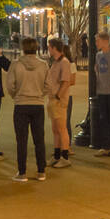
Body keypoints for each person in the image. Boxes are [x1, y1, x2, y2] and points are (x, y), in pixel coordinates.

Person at [5, 37, 49, 182]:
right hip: (37, 104)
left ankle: (22, 172)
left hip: (21, 104)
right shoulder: (43, 65)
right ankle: (41, 171)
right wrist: (40, 94)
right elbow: (48, 85)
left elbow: (10, 85)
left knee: (21, 140)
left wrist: (16, 95)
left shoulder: (16, 64)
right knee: (39, 139)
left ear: (23, 48)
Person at [45, 38, 75, 167]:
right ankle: (57, 155)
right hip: (53, 99)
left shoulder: (64, 62)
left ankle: (64, 156)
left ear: (53, 48)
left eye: (49, 47)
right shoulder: (55, 62)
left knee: (62, 129)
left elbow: (66, 81)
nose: (48, 49)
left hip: (59, 100)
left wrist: (58, 96)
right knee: (55, 129)